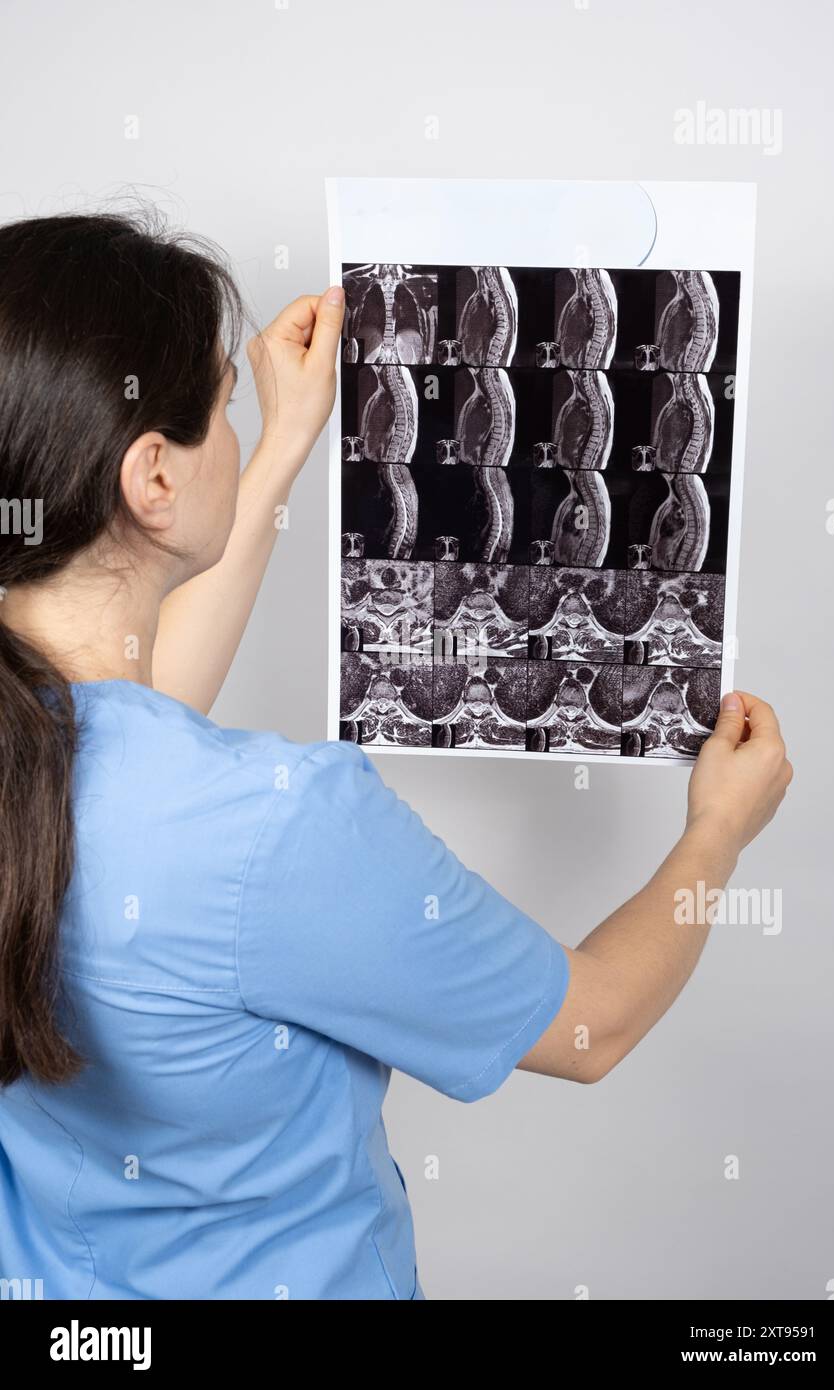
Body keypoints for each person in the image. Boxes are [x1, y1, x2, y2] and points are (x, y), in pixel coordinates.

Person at [0, 211, 792, 1301]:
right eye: (220, 411)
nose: (234, 427)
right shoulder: (278, 826)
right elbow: (589, 1022)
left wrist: (280, 443)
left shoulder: (46, 761)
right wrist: (716, 831)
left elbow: (127, 733)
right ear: (152, 480)